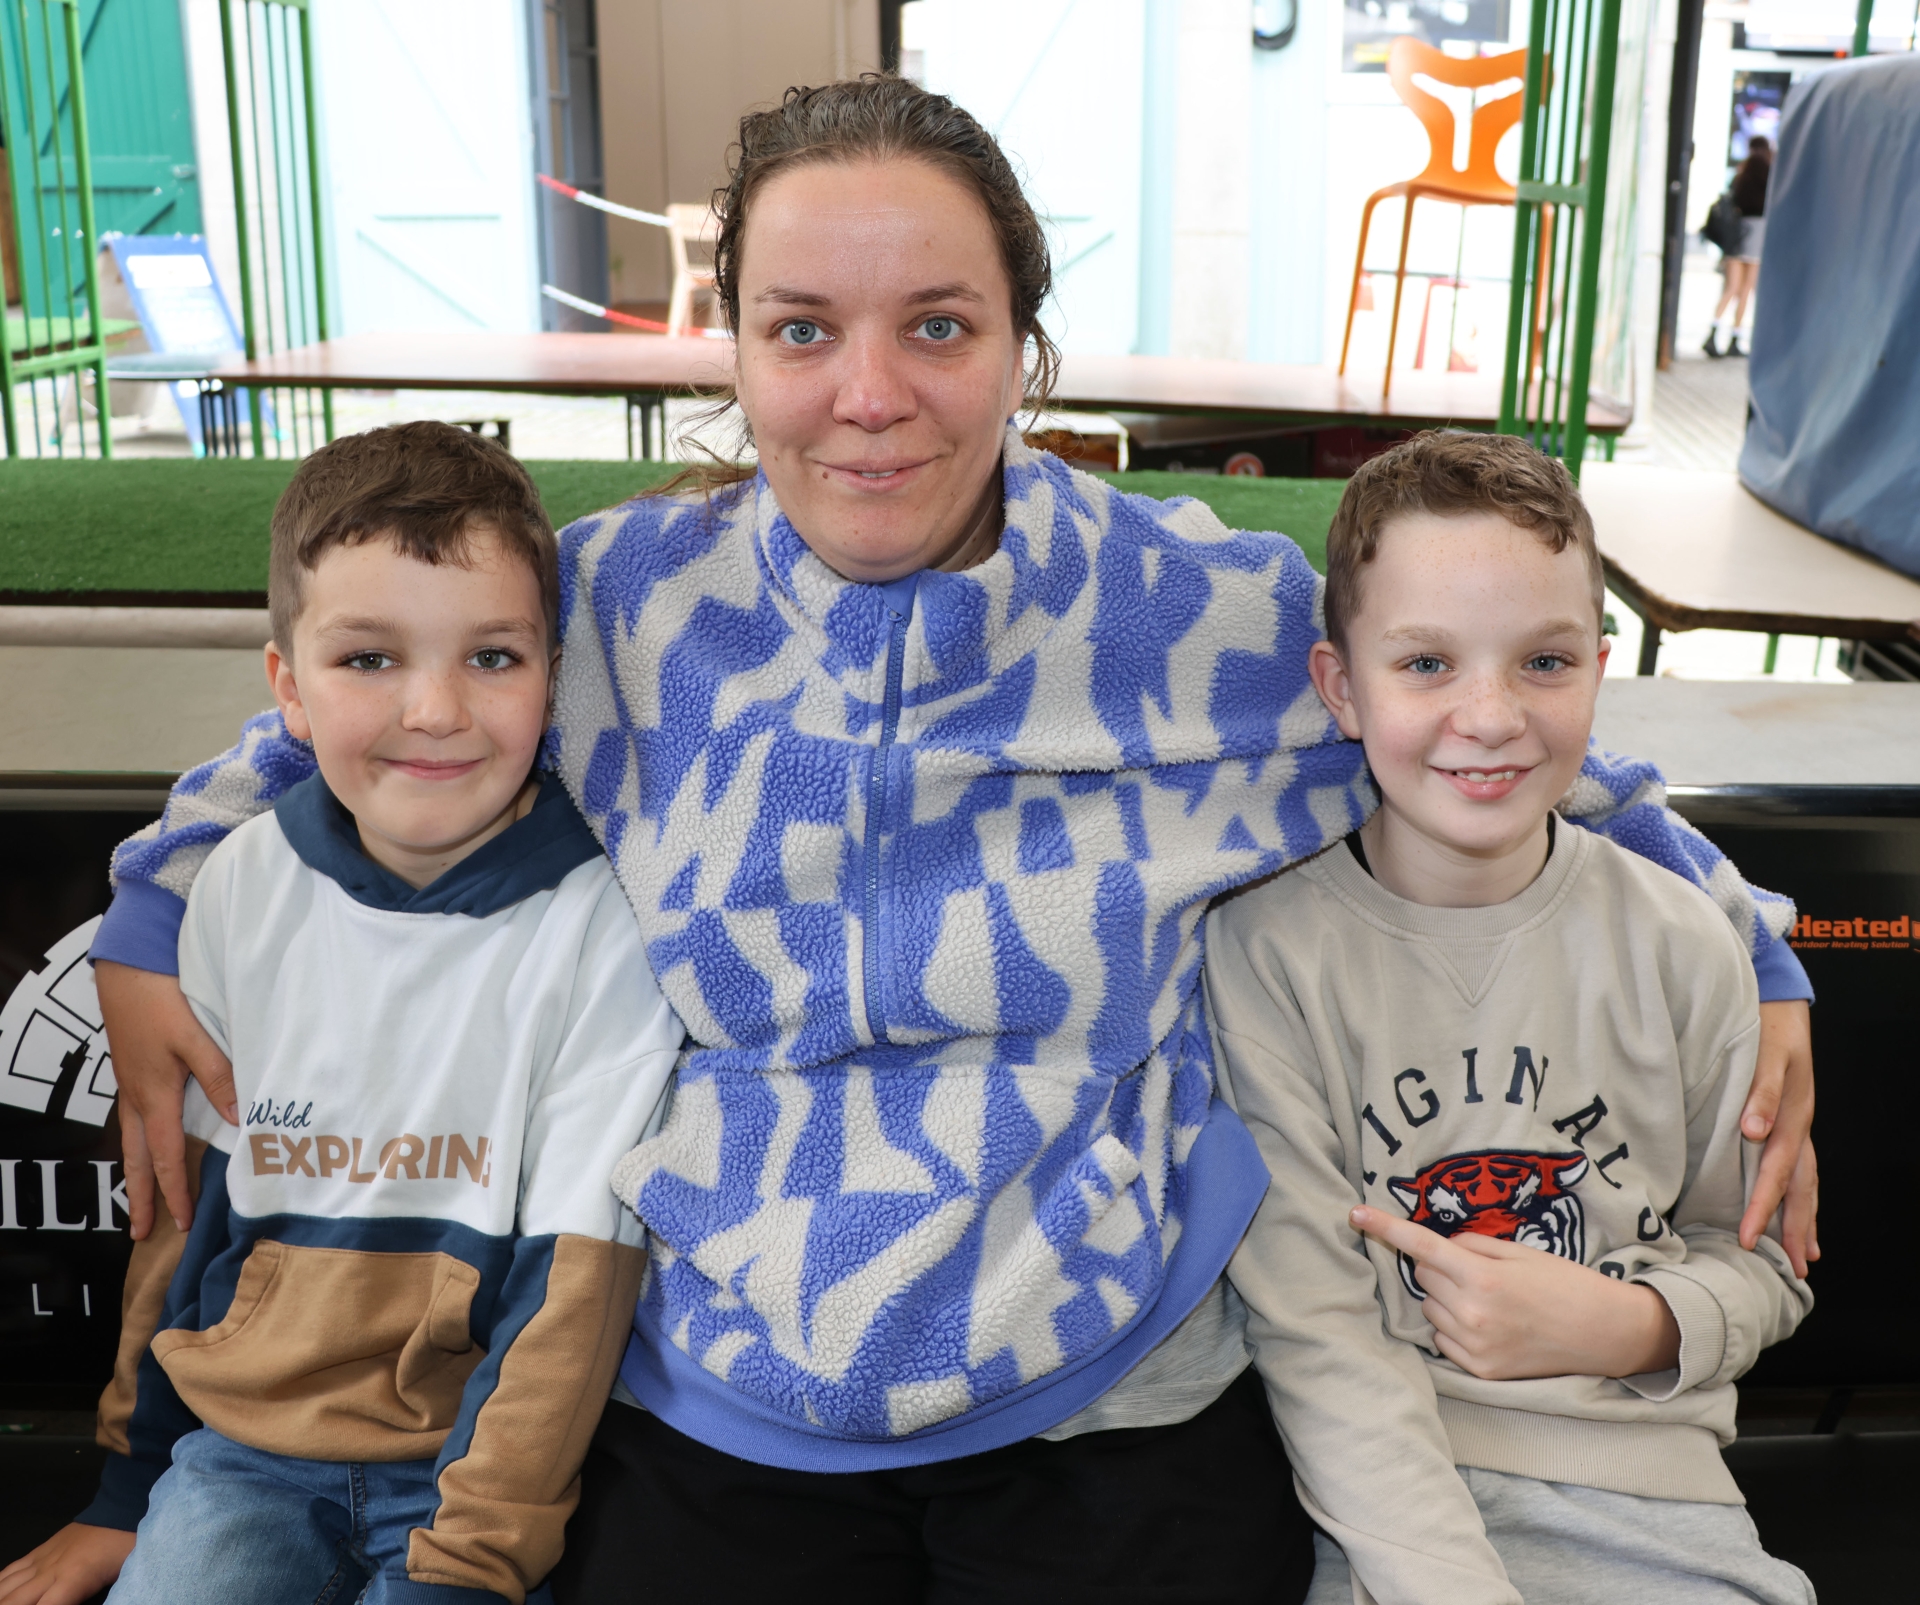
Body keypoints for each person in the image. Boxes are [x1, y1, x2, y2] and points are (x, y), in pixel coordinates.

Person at [82, 78, 1818, 1603]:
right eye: (801, 329)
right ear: (734, 346)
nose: (869, 395)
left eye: (937, 325)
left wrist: (1754, 950)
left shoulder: (1189, 610)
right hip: (725, 1395)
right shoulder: (625, 607)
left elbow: (1484, 718)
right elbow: (360, 707)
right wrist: (153, 918)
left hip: (1113, 1396)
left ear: (1020, 343)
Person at [0, 424, 682, 1605]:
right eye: (368, 659)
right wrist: (128, 1489)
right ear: (289, 690)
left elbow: (572, 1295)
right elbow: (180, 1223)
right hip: (237, 1459)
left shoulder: (603, 922)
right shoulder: (235, 887)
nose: (434, 710)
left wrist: (473, 1561)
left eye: (493, 658)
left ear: (554, 674)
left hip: (469, 1471)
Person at [1210, 432, 1814, 1605]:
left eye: (1542, 663)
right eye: (1427, 663)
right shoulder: (1264, 955)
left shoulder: (1689, 941)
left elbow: (1765, 1265)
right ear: (1342, 687)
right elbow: (1320, 1342)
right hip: (1375, 1506)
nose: (1488, 717)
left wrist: (1632, 1327)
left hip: (1663, 1502)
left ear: (1599, 668)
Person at [1707, 134, 1771, 358]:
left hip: (1736, 236)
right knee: (1746, 290)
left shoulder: (1741, 175)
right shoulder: (1769, 176)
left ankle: (1712, 332)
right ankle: (1735, 337)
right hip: (1758, 234)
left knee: (1731, 288)